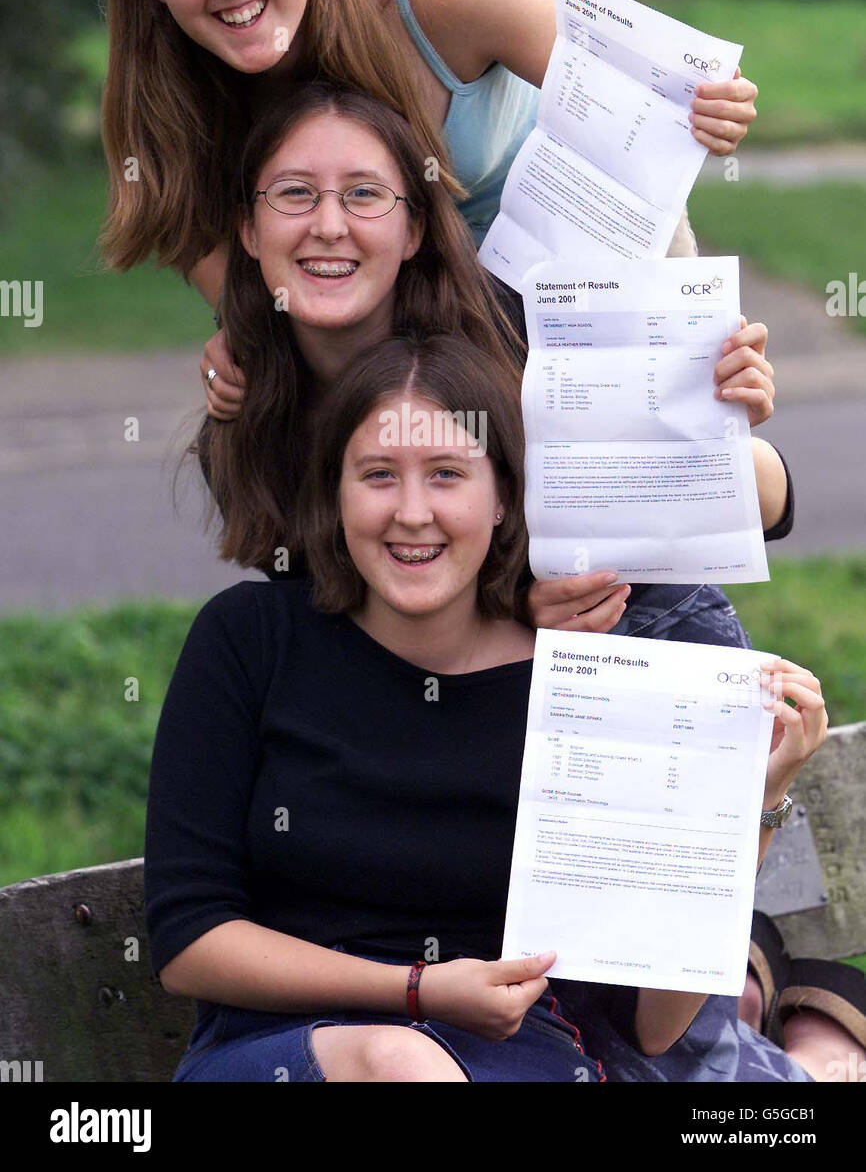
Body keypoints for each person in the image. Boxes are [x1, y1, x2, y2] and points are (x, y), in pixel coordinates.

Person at [144, 334, 848, 1082]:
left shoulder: (578, 685)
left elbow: (655, 1025)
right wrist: (414, 992)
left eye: (447, 474)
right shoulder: (250, 640)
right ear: (335, 492)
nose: (412, 513)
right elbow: (190, 939)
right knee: (399, 1062)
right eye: (378, 475)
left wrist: (750, 802)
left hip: (515, 1058)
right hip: (281, 1052)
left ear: (507, 496)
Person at [97, 0, 759, 419]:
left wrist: (707, 111)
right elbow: (259, 324)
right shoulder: (168, 110)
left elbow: (642, 93)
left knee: (662, 490)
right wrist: (239, 352)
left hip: (585, 272)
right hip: (404, 333)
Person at [195, 81, 791, 652]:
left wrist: (718, 421)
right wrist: (508, 622)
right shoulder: (251, 421)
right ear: (248, 229)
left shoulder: (528, 333)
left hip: (625, 690)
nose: (329, 226)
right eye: (294, 192)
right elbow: (345, 650)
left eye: (365, 194)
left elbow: (766, 498)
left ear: (414, 229)